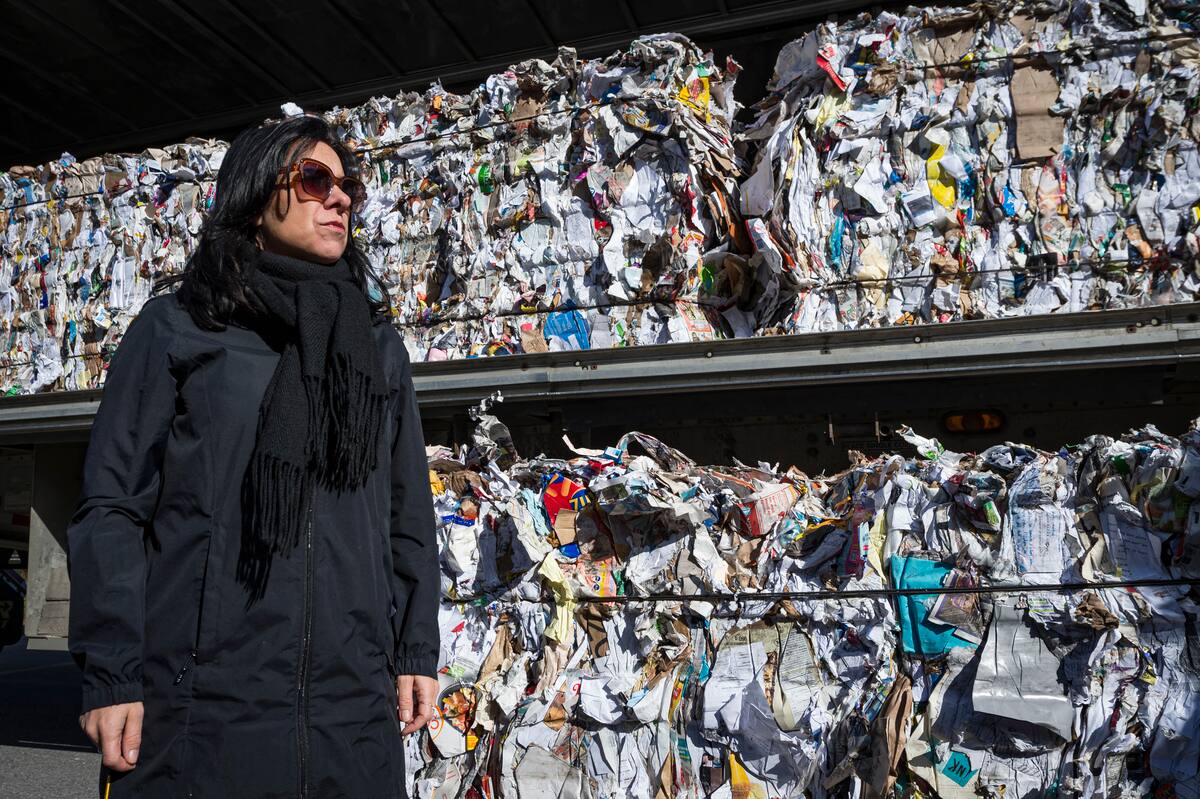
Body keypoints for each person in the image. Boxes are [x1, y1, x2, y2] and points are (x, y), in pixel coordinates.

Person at [67, 115, 440, 798]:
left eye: (347, 184)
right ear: (252, 194)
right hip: (203, 719)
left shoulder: (376, 348)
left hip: (350, 721)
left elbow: (405, 511)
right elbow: (113, 503)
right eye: (315, 179)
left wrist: (417, 647)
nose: (341, 198)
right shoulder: (179, 327)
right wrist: (113, 670)